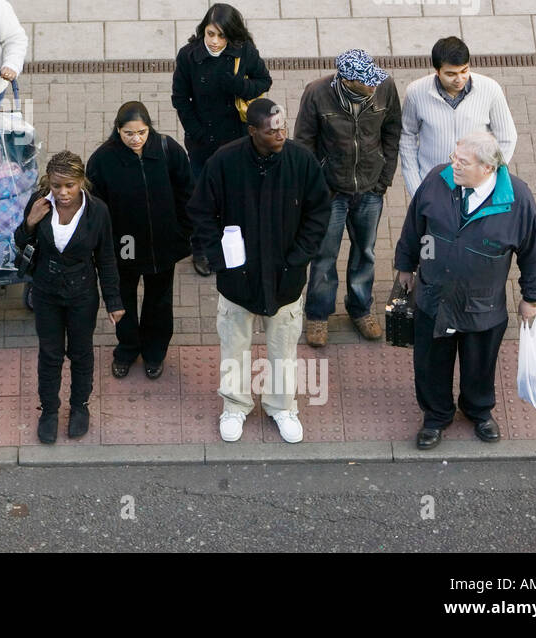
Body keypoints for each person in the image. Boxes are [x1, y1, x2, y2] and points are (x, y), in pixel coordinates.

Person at [188, 98, 331, 445]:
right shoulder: (224, 162)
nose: (281, 134)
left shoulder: (301, 161)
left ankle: (282, 406)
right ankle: (235, 406)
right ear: (252, 131)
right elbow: (202, 212)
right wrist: (221, 261)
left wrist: (299, 257)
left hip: (286, 280)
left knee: (283, 347)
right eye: (272, 131)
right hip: (238, 280)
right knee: (234, 346)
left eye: (282, 128)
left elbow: (318, 212)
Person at [394, 132, 536, 450]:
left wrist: (532, 297)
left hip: (483, 305)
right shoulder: (438, 179)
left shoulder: (516, 198)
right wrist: (405, 266)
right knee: (430, 363)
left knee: (480, 364)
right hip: (433, 297)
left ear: (488, 168)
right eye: (454, 157)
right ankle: (435, 416)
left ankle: (478, 410)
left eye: (462, 162)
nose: (453, 165)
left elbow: (534, 252)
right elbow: (414, 226)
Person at [294, 49, 402, 347]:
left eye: (373, 80)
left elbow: (393, 132)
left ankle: (360, 308)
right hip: (331, 192)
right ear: (346, 80)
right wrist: (317, 189)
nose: (372, 86)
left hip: (370, 188)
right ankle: (317, 314)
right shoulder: (317, 93)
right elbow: (303, 144)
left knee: (365, 252)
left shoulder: (385, 87)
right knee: (324, 255)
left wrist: (384, 178)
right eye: (365, 82)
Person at [15, 151, 125, 444]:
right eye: (56, 186)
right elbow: (19, 242)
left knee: (80, 352)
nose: (62, 193)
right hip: (46, 290)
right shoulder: (40, 203)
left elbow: (106, 258)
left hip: (82, 292)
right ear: (48, 183)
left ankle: (80, 407)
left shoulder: (97, 211)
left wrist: (113, 301)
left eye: (69, 186)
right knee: (50, 353)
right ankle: (49, 410)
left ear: (81, 183)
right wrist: (30, 222)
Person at [86, 101, 193, 380]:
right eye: (129, 134)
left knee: (159, 300)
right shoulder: (103, 160)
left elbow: (187, 192)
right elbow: (96, 207)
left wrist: (183, 231)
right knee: (124, 298)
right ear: (117, 131)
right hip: (126, 244)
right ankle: (128, 348)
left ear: (150, 128)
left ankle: (155, 353)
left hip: (162, 243)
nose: (136, 139)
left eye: (142, 132)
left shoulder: (168, 150)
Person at [171, 3, 272, 274]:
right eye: (210, 34)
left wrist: (239, 85)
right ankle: (202, 249)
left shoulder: (244, 52)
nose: (215, 42)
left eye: (221, 36)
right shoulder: (188, 56)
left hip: (237, 140)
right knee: (202, 197)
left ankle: (235, 244)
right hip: (202, 143)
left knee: (237, 194)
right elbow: (180, 98)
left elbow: (264, 81)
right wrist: (196, 131)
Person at [399, 36, 517, 198]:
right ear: (437, 71)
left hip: (476, 186)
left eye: (464, 71)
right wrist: (416, 188)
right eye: (451, 74)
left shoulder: (490, 90)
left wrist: (488, 175)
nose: (459, 79)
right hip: (433, 185)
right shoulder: (415, 92)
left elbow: (506, 138)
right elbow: (407, 137)